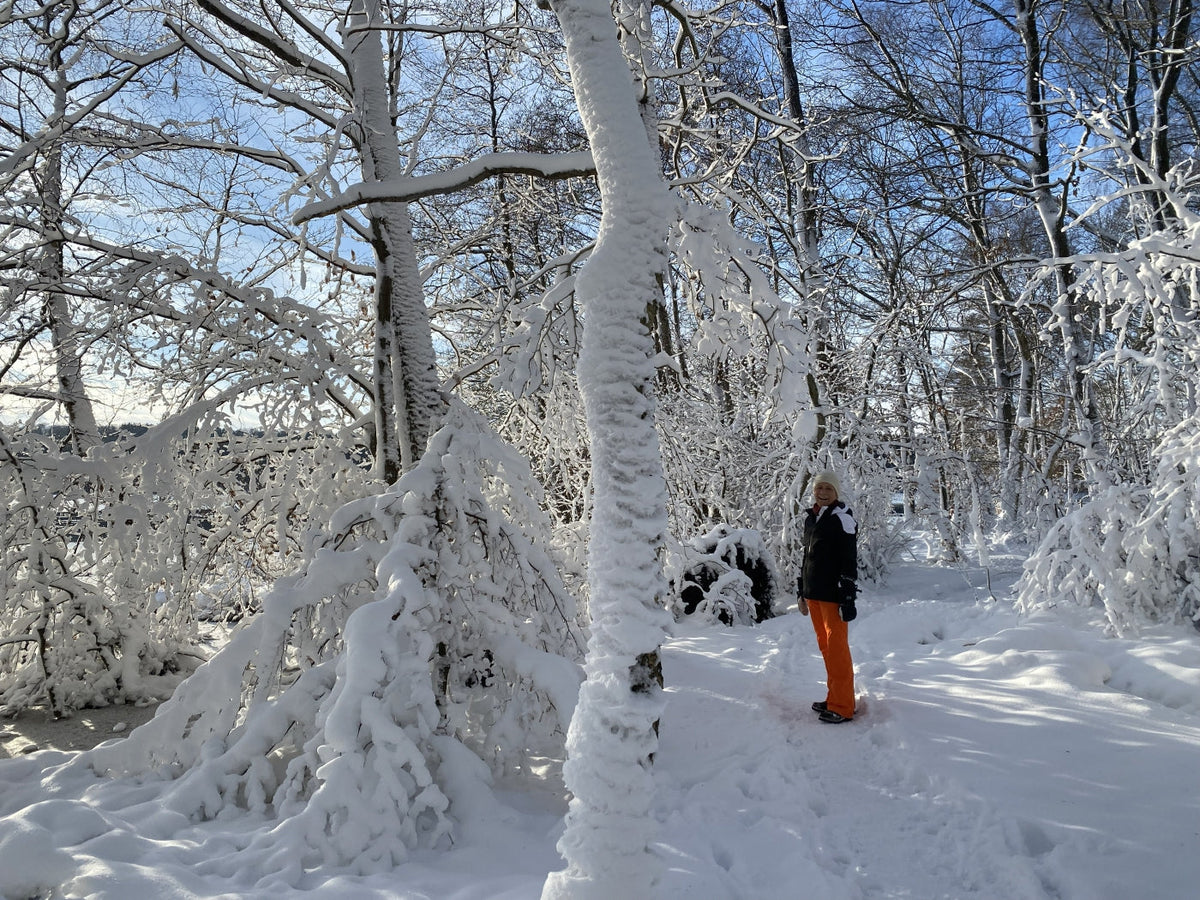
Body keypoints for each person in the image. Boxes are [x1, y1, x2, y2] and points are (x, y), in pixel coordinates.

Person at [796, 469, 858, 723]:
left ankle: (843, 706)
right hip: (815, 594)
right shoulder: (812, 518)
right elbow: (807, 557)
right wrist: (802, 590)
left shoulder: (842, 520)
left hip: (833, 596)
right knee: (826, 649)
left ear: (836, 492)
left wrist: (848, 596)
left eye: (828, 489)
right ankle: (834, 697)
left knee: (837, 650)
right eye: (819, 488)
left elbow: (849, 561)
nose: (822, 493)